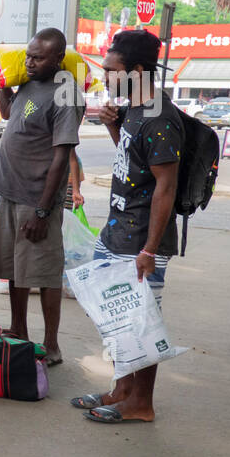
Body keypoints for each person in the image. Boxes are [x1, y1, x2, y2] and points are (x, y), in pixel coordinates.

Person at [72, 29, 184, 425]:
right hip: (117, 232)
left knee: (141, 321)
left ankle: (141, 403)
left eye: (111, 70)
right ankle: (122, 391)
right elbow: (134, 164)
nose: (104, 76)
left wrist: (149, 249)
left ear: (136, 71)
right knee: (116, 317)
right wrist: (111, 126)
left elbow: (165, 187)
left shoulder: (160, 117)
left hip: (140, 240)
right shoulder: (135, 109)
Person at [0, 27, 82, 366]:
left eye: (38, 58)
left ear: (58, 58)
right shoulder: (29, 82)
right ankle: (19, 330)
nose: (29, 62)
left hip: (37, 198)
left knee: (43, 272)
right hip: (10, 191)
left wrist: (43, 211)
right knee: (13, 268)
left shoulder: (66, 93)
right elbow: (8, 114)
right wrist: (2, 83)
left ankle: (51, 345)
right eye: (28, 56)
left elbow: (62, 156)